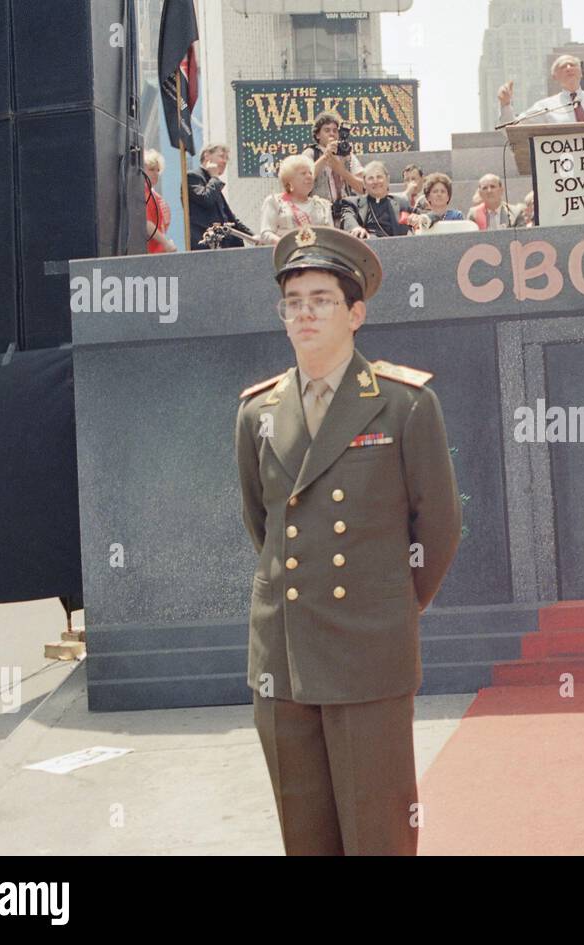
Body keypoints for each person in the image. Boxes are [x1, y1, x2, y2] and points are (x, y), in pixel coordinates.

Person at [235, 224, 463, 855]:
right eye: (294, 301)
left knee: (377, 832)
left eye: (322, 300)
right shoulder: (258, 412)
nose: (305, 313)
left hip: (368, 652)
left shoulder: (402, 405)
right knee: (304, 835)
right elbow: (265, 525)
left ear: (356, 313)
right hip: (284, 654)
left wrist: (385, 605)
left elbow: (437, 529)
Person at [188, 143, 255, 249]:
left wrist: (254, 236)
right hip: (206, 246)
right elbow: (206, 200)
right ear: (207, 155)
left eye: (226, 158)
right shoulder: (192, 177)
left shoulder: (212, 182)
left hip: (224, 246)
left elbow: (229, 217)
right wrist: (214, 177)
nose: (224, 161)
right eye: (221, 156)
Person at [302, 110, 365, 205]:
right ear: (317, 135)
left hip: (346, 210)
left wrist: (341, 171)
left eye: (335, 130)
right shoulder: (310, 153)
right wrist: (325, 156)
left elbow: (363, 188)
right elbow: (303, 181)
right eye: (327, 130)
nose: (332, 134)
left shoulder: (347, 155)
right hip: (319, 209)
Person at [343, 161, 414, 238]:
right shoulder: (353, 204)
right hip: (367, 245)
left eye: (379, 177)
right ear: (364, 183)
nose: (375, 181)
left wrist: (418, 219)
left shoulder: (402, 203)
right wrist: (356, 228)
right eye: (370, 178)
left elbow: (421, 217)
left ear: (387, 180)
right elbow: (348, 218)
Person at [143, 149, 175, 253]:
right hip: (150, 254)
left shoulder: (154, 195)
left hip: (158, 253)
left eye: (158, 170)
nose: (156, 173)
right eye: (151, 169)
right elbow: (146, 223)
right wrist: (166, 243)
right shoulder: (143, 194)